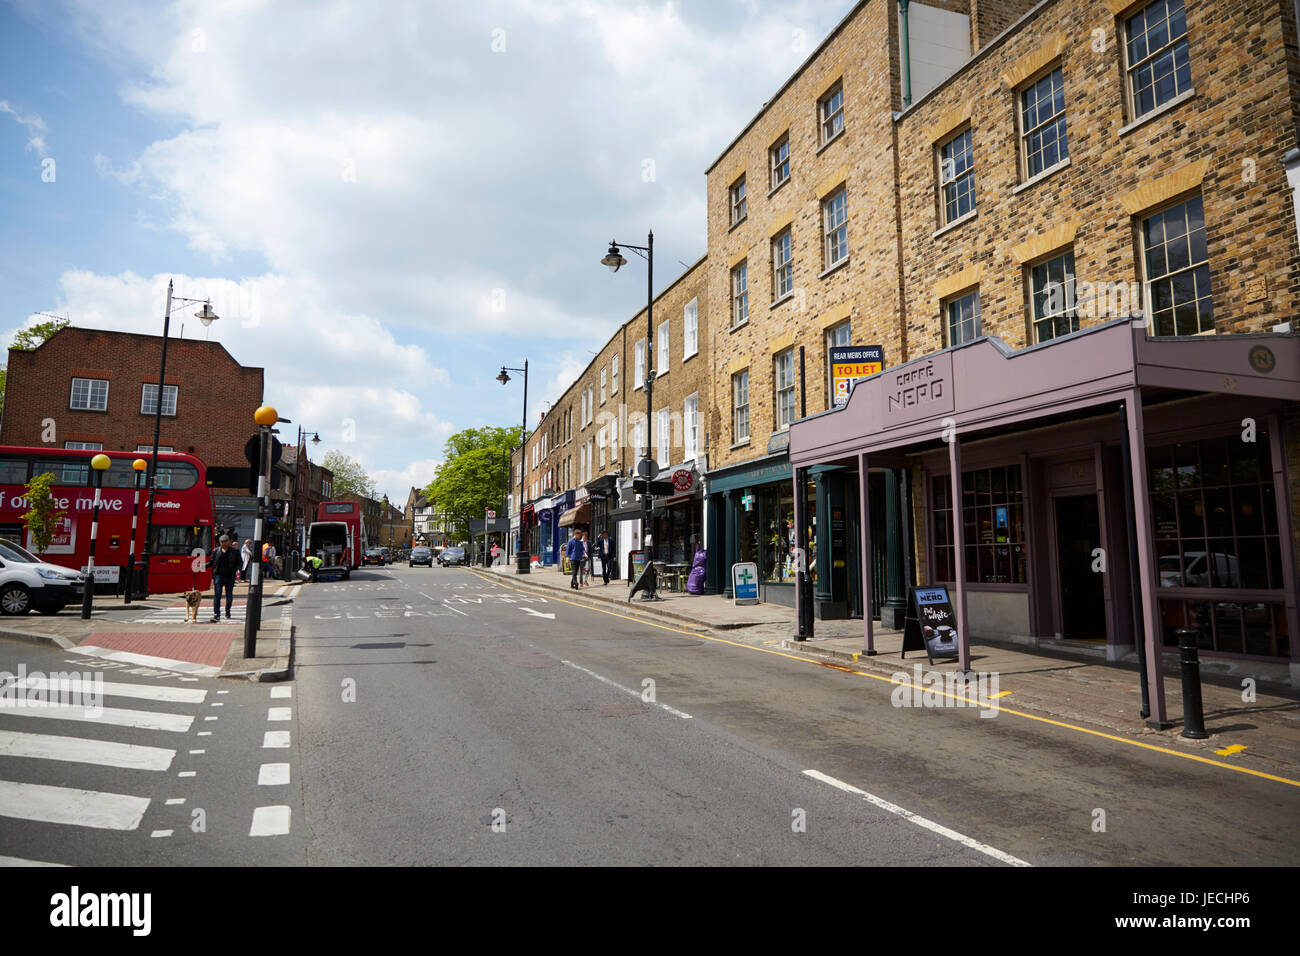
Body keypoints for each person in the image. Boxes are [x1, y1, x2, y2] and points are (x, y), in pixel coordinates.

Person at [209, 534, 241, 622]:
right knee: (217, 595)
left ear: (229, 542)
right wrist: (202, 566)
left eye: (224, 542)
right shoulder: (216, 551)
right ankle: (216, 614)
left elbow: (239, 562)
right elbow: (211, 562)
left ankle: (228, 611)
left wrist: (238, 570)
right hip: (218, 575)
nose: (223, 544)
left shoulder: (235, 551)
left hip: (230, 576)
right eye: (221, 542)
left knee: (229, 595)